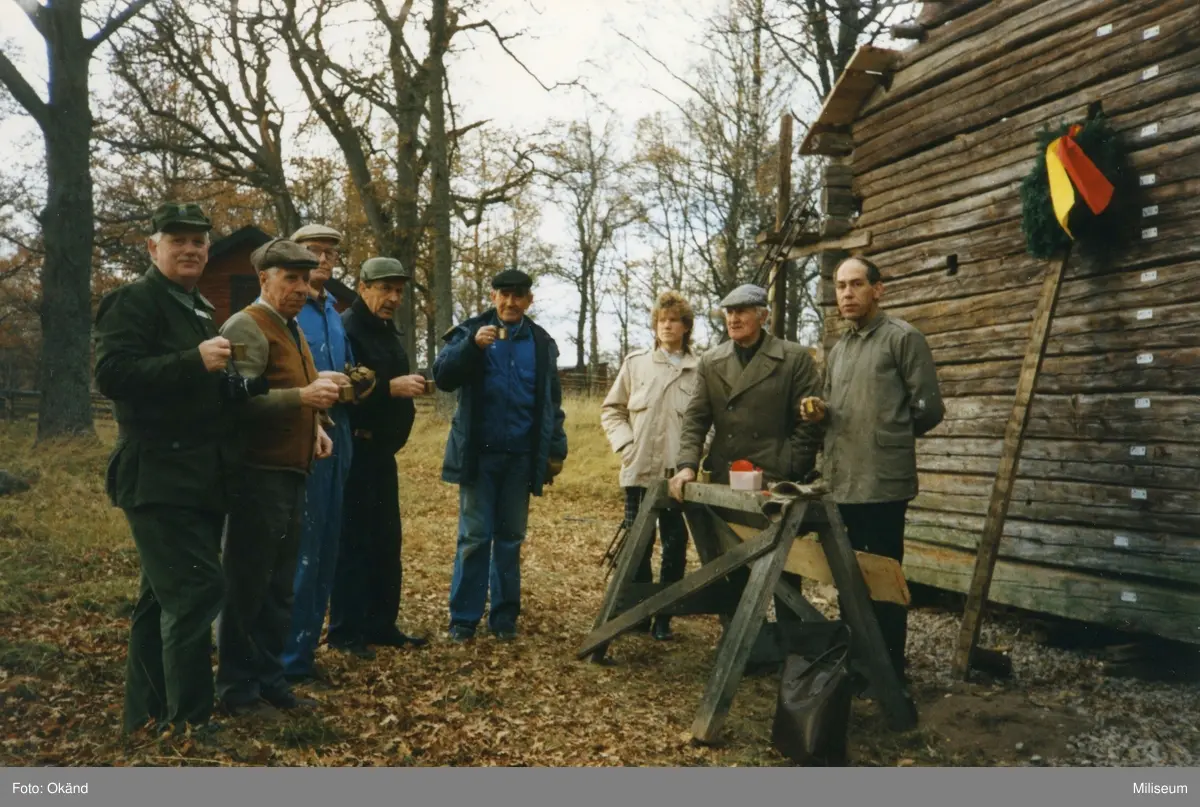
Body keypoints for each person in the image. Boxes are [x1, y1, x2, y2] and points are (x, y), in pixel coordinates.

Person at [95, 202, 250, 736]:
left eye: (198, 241)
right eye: (177, 240)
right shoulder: (133, 301)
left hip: (199, 477)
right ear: (152, 247)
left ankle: (145, 714)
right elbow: (112, 375)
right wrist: (193, 361)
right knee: (196, 591)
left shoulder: (197, 306)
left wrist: (237, 386)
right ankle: (190, 723)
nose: (190, 250)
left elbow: (200, 387)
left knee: (159, 598)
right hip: (157, 474)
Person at [799, 255, 944, 680]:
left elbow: (929, 409)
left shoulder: (903, 339)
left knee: (882, 580)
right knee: (850, 579)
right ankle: (858, 667)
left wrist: (886, 438)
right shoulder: (840, 348)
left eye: (856, 284)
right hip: (842, 481)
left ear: (878, 290)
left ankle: (889, 675)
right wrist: (820, 412)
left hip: (883, 483)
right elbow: (838, 408)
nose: (847, 294)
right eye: (841, 286)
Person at [216, 238, 340, 715]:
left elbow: (293, 390)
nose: (301, 288)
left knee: (279, 589)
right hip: (257, 476)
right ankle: (237, 690)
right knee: (248, 587)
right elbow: (235, 402)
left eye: (305, 280)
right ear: (263, 279)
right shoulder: (247, 325)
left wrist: (316, 429)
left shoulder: (292, 328)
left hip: (291, 472)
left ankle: (271, 682)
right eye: (291, 278)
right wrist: (303, 400)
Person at [433, 269, 568, 643]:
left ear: (529, 300)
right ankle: (464, 619)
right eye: (504, 295)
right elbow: (442, 376)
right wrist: (471, 346)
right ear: (493, 297)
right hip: (479, 456)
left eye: (518, 296)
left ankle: (504, 618)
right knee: (475, 537)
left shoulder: (541, 342)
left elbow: (552, 403)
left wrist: (556, 449)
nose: (510, 302)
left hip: (521, 457)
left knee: (510, 538)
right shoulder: (470, 331)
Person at [327, 257, 430, 656]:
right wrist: (390, 388)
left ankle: (381, 625)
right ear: (362, 287)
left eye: (399, 291)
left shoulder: (386, 330)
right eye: (385, 289)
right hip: (356, 448)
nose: (393, 298)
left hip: (382, 452)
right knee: (353, 543)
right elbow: (345, 389)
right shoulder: (348, 329)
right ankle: (346, 632)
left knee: (386, 542)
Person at [280, 224, 355, 684]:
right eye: (314, 252)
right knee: (302, 552)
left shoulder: (332, 310)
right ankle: (287, 662)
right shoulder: (288, 310)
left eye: (330, 253)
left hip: (337, 435)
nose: (323, 260)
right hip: (300, 435)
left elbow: (344, 370)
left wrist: (353, 379)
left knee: (327, 548)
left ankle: (306, 654)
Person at [601, 290, 699, 641]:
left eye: (674, 320)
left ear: (686, 326)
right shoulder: (636, 363)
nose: (667, 326)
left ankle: (664, 614)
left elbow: (708, 422)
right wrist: (626, 445)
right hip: (638, 470)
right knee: (637, 543)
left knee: (674, 543)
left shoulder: (699, 370)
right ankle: (638, 612)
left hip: (676, 476)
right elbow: (612, 410)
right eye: (661, 320)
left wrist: (693, 458)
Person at [669, 284, 822, 500]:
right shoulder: (711, 361)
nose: (733, 319)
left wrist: (792, 467)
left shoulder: (795, 359)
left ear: (763, 317)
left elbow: (809, 424)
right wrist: (687, 466)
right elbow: (695, 419)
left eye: (741, 311)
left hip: (775, 479)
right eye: (729, 312)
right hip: (725, 476)